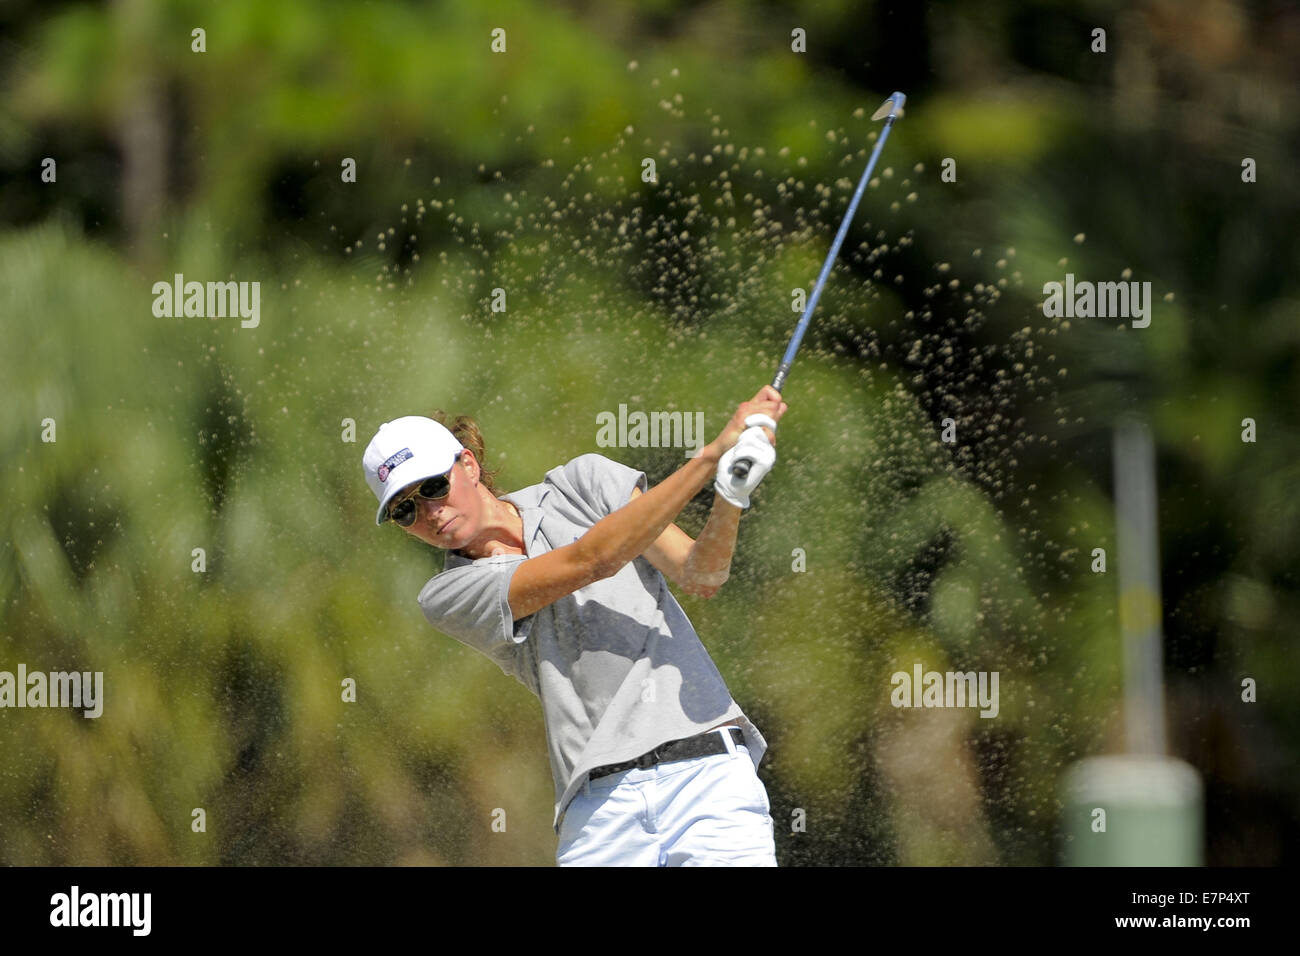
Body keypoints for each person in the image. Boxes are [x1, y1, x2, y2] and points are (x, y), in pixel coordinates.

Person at [361, 385, 787, 866]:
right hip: (602, 809)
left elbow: (701, 574)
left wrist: (731, 493)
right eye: (404, 509)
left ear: (468, 465)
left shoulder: (581, 484)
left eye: (433, 487)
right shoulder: (447, 596)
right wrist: (711, 456)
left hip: (707, 775)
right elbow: (594, 560)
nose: (429, 512)